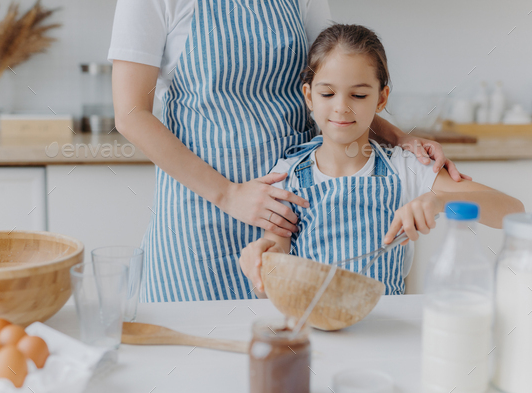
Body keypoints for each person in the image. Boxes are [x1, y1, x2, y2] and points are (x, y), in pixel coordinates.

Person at [109, 0, 469, 302]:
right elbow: (129, 114)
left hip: (296, 215)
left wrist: (397, 137)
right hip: (202, 216)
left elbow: (335, 81)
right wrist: (228, 194)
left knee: (288, 363)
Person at [239, 23, 524, 296]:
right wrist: (261, 267)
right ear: (309, 96)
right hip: (314, 336)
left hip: (387, 334)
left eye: (359, 95)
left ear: (381, 99)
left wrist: (440, 201)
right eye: (327, 93)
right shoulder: (285, 177)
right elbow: (270, 288)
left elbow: (513, 211)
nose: (341, 107)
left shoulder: (406, 167)